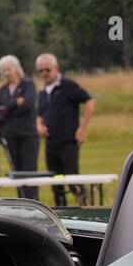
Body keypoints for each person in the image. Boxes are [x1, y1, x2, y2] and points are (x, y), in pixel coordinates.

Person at [35, 54, 95, 206]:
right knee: (55, 181)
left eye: (47, 70)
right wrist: (39, 125)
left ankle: (85, 207)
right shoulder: (42, 91)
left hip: (68, 141)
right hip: (50, 143)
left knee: (72, 178)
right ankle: (60, 212)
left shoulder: (68, 85)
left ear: (56, 69)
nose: (44, 73)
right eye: (40, 71)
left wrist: (83, 127)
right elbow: (40, 113)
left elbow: (89, 100)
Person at [0, 54, 39, 199]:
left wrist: (6, 110)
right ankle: (21, 201)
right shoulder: (2, 90)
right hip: (9, 134)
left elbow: (28, 105)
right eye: (3, 70)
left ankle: (33, 201)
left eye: (8, 69)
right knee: (16, 171)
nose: (6, 73)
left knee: (29, 171)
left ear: (16, 68)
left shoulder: (28, 85)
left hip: (27, 134)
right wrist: (14, 104)